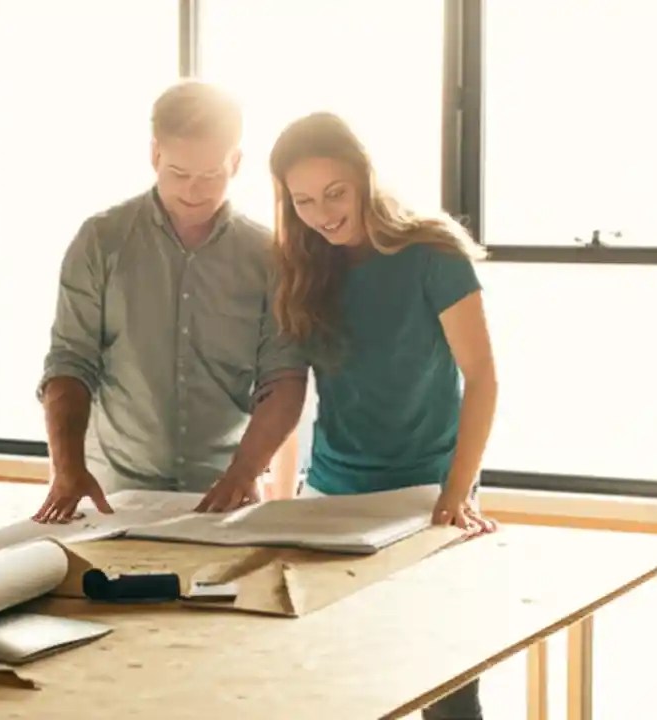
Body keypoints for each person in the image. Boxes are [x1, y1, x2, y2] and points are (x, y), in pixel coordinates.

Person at [269, 111, 499, 720]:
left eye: (335, 192)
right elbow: (293, 394)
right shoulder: (301, 270)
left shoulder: (433, 253)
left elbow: (482, 378)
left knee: (448, 688)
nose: (323, 213)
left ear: (364, 177)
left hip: (427, 495)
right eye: (305, 201)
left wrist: (458, 491)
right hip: (330, 500)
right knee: (335, 683)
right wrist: (279, 494)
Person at [32, 80, 307, 524]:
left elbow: (284, 378)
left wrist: (243, 474)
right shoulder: (101, 242)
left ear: (236, 162)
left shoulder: (269, 256)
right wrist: (68, 469)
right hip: (113, 495)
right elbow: (69, 363)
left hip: (224, 495)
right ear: (155, 154)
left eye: (211, 175)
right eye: (180, 173)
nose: (195, 191)